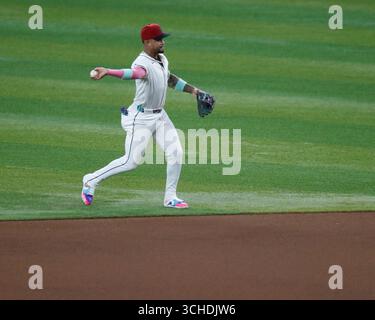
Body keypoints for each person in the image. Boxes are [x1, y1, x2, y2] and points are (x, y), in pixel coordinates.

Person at [81, 23, 203, 209]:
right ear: (147, 42)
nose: (162, 42)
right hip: (141, 119)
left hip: (160, 116)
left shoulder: (162, 59)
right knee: (131, 162)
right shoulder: (141, 63)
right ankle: (90, 180)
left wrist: (195, 91)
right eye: (158, 39)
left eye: (162, 38)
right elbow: (134, 74)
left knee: (176, 153)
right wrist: (109, 71)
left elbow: (170, 79)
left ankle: (170, 197)